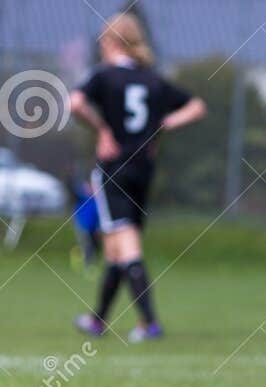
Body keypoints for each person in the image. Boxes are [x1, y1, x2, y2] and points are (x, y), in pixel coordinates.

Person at [69, 13, 206, 341]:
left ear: (109, 42)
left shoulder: (103, 76)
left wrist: (102, 128)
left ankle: (149, 323)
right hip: (143, 171)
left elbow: (74, 104)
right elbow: (196, 106)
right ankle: (98, 320)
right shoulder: (153, 79)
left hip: (114, 169)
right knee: (116, 248)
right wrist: (164, 124)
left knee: (126, 246)